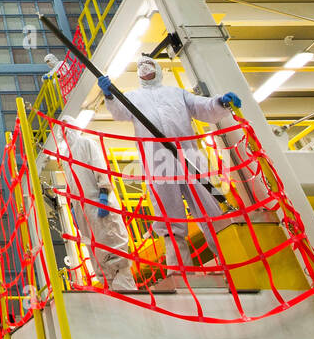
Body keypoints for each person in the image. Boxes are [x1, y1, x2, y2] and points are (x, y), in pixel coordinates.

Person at [98, 56, 242, 283]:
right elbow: (119, 113)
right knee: (169, 219)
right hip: (158, 163)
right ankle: (181, 273)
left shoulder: (177, 93)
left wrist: (220, 103)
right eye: (141, 67)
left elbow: (201, 107)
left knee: (210, 208)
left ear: (158, 69)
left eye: (149, 65)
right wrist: (109, 95)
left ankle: (233, 262)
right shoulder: (133, 98)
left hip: (190, 157)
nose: (145, 69)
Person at [39, 113, 136, 292]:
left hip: (99, 203)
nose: (64, 129)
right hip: (84, 211)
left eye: (66, 125)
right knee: (96, 252)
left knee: (113, 248)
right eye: (61, 127)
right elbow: (72, 185)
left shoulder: (86, 143)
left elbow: (99, 168)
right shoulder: (66, 157)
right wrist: (74, 210)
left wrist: (104, 194)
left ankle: (127, 292)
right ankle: (111, 291)